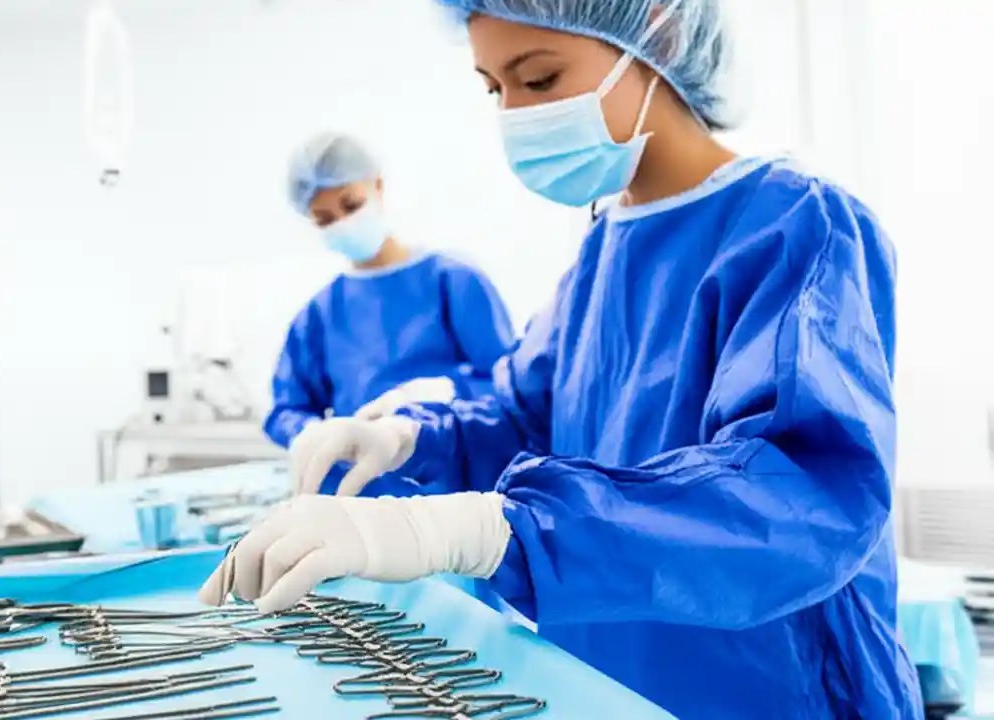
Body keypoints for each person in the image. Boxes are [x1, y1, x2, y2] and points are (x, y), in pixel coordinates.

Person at [203, 1, 922, 718]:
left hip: (769, 684)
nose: (513, 114)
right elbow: (528, 416)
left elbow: (798, 500)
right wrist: (410, 439)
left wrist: (490, 528)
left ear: (660, 36)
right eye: (494, 88)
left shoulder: (798, 225)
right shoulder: (603, 249)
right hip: (606, 676)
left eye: (539, 79)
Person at [264, 132, 516, 496]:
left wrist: (449, 390)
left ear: (377, 187)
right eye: (324, 219)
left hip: (454, 490)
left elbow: (513, 390)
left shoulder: (453, 281)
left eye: (351, 206)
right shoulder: (318, 315)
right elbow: (286, 409)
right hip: (362, 496)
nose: (341, 223)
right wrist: (313, 434)